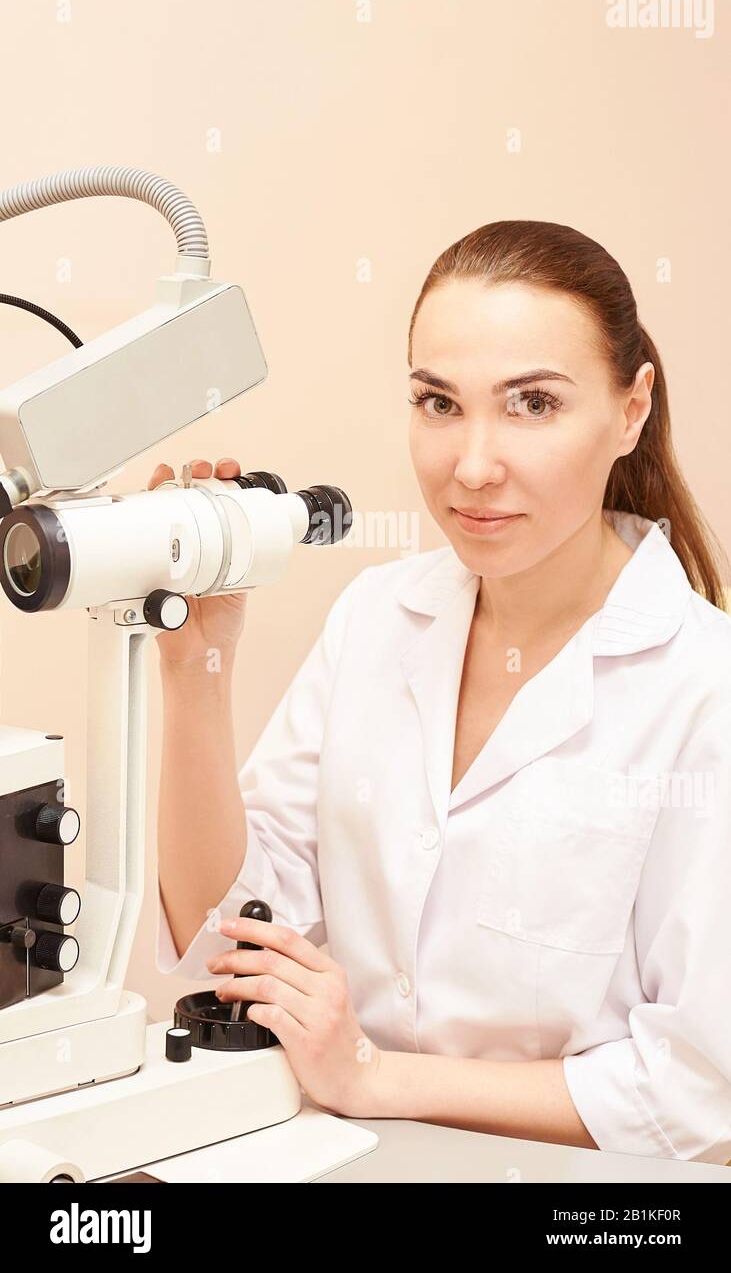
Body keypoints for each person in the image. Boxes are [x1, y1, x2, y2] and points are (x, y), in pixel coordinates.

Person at [152, 220, 731, 1163]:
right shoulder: (377, 616)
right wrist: (195, 671)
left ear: (631, 410)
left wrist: (372, 1076)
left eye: (532, 404)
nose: (471, 466)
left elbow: (699, 1093)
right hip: (348, 1159)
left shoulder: (703, 691)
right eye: (438, 403)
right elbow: (233, 932)